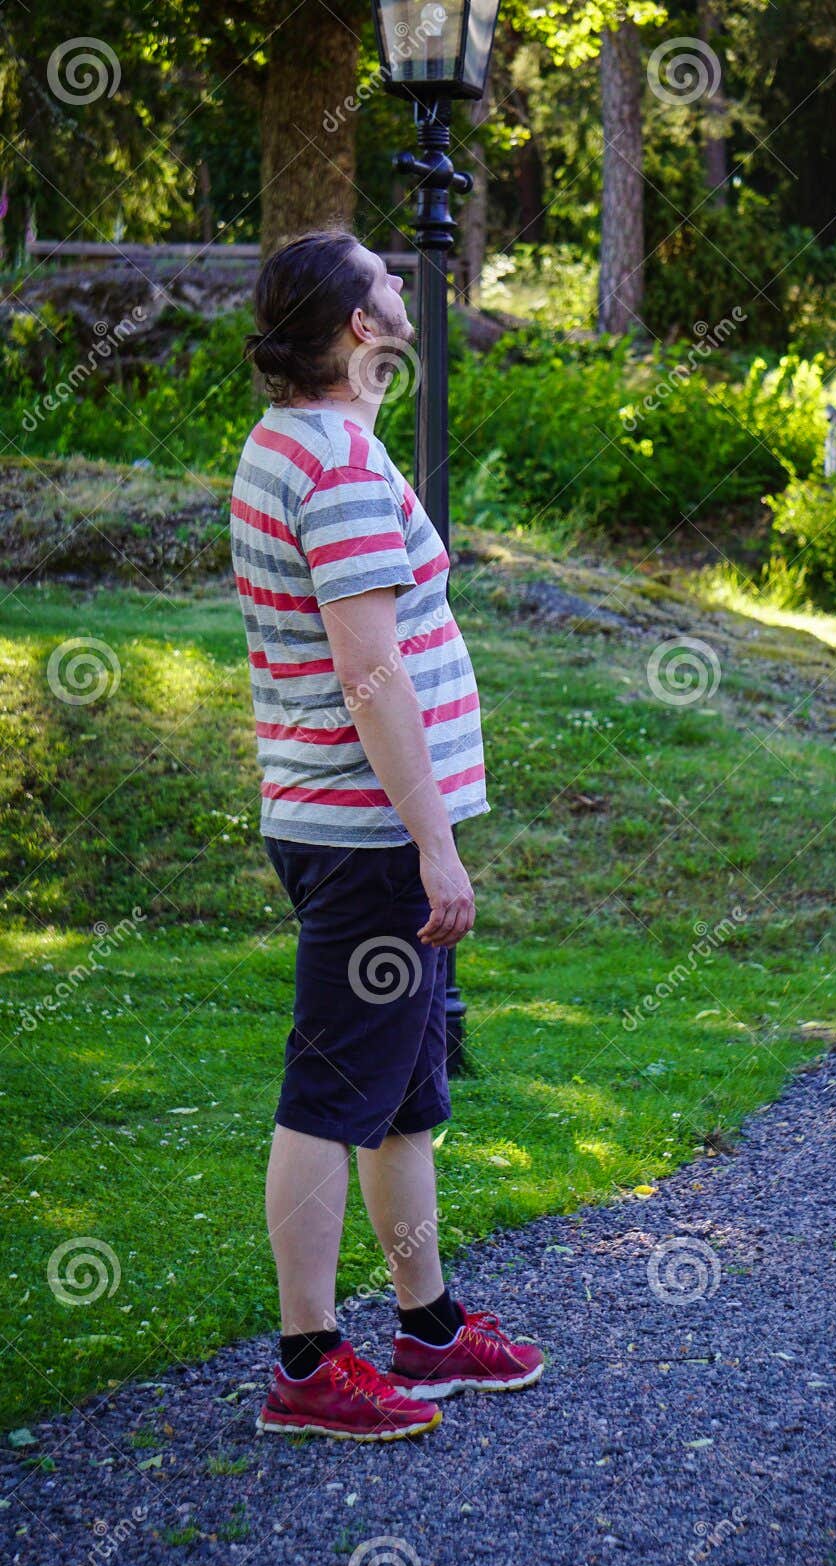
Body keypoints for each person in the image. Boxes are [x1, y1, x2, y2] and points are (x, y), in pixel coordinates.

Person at [230, 228, 544, 1443]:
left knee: (404, 1094)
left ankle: (426, 1322)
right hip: (368, 837)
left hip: (351, 824)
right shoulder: (342, 469)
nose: (401, 285)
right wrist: (435, 844)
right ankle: (307, 1362)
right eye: (381, 277)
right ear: (357, 325)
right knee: (331, 1093)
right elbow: (370, 675)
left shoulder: (294, 445)